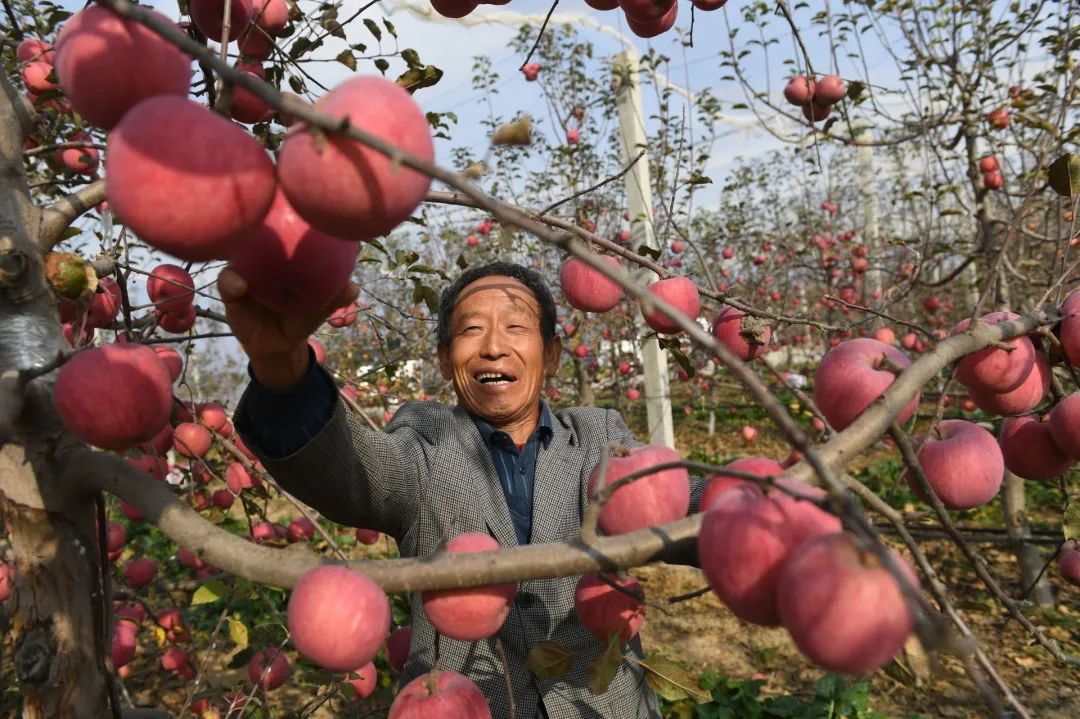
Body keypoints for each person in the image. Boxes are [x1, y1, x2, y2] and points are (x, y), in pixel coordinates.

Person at [221, 261, 707, 719]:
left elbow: (674, 498)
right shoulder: (425, 443)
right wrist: (283, 374)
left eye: (516, 327)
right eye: (471, 330)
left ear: (552, 354)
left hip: (600, 705)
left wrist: (748, 507)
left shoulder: (599, 438)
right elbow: (355, 475)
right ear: (443, 359)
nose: (493, 346)